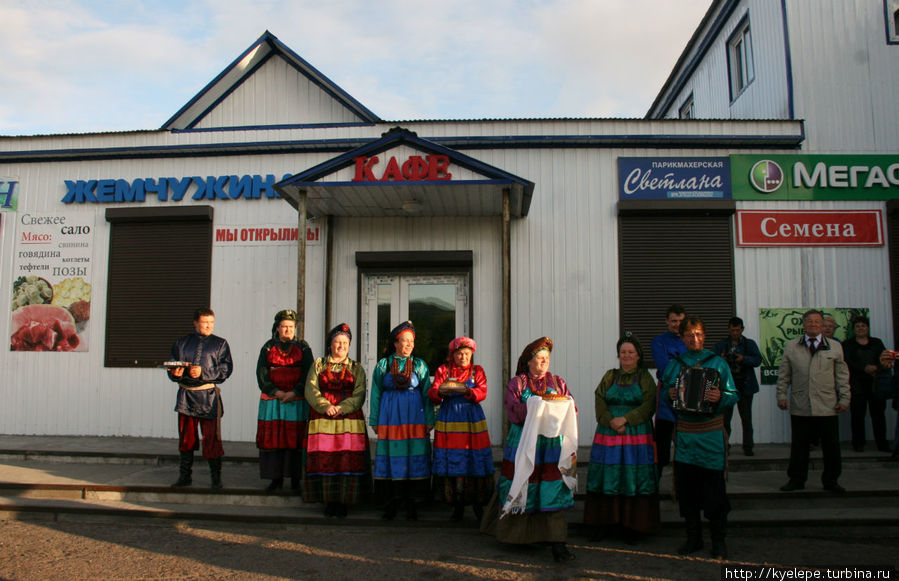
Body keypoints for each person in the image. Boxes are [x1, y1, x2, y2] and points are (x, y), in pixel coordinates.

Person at [481, 337, 578, 563]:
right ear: (528, 362)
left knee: (552, 487)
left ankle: (557, 543)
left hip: (551, 445)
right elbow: (514, 412)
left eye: (547, 359)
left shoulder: (558, 381)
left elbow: (571, 406)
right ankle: (519, 537)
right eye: (539, 359)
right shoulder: (518, 384)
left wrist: (564, 405)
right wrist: (534, 405)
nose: (544, 363)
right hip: (524, 442)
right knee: (522, 482)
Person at [660, 316, 737, 559]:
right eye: (690, 335)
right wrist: (670, 393)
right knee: (688, 491)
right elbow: (664, 395)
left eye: (699, 334)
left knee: (714, 491)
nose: (695, 339)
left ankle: (719, 541)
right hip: (685, 438)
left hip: (711, 436)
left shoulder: (718, 363)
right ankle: (693, 539)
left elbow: (732, 394)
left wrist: (719, 398)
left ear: (704, 336)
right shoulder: (676, 364)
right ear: (682, 338)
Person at [584, 332, 659, 545]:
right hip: (609, 434)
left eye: (630, 352)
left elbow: (649, 404)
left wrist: (625, 419)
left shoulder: (645, 377)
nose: (626, 356)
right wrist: (610, 420)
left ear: (638, 356)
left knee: (632, 477)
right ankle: (604, 524)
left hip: (636, 434)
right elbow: (599, 399)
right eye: (623, 352)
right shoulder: (610, 376)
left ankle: (632, 526)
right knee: (606, 476)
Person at [777, 309, 851, 494]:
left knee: (831, 446)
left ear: (823, 325)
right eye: (809, 321)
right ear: (803, 324)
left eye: (817, 322)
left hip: (827, 405)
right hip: (801, 404)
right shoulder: (792, 346)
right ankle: (796, 479)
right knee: (799, 446)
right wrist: (781, 395)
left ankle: (831, 480)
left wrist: (845, 398)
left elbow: (842, 376)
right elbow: (784, 375)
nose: (813, 324)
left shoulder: (834, 347)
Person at [304, 323, 371, 517]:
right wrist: (326, 406)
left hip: (349, 421)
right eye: (337, 342)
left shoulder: (356, 368)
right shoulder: (318, 364)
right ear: (330, 345)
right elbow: (311, 388)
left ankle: (344, 501)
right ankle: (328, 501)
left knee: (346, 459)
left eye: (345, 342)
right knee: (325, 458)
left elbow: (359, 394)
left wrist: (342, 408)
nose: (341, 346)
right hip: (322, 420)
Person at [370, 321, 434, 521]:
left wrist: (429, 419)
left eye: (411, 342)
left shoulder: (420, 365)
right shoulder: (384, 365)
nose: (408, 345)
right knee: (393, 455)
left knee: (413, 455)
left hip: (414, 416)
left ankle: (412, 502)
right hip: (390, 417)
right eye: (404, 341)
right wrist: (374, 419)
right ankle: (391, 501)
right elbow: (376, 393)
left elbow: (426, 394)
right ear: (395, 343)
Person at [428, 336, 494, 522]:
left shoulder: (477, 371)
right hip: (449, 417)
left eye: (466, 354)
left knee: (473, 456)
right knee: (452, 458)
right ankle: (456, 506)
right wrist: (441, 391)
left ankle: (477, 505)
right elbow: (433, 392)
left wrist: (467, 391)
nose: (463, 357)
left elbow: (483, 391)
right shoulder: (443, 370)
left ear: (472, 354)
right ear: (453, 354)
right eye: (459, 354)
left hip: (472, 418)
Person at [166, 308, 233, 489]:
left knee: (212, 439)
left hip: (208, 398)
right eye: (205, 322)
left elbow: (226, 370)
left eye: (211, 322)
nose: (208, 326)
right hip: (186, 396)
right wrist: (176, 374)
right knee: (186, 438)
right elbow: (172, 367)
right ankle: (184, 477)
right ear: (195, 323)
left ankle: (216, 479)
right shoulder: (181, 343)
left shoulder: (220, 344)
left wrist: (203, 372)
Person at [254, 309, 314, 492]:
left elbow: (309, 373)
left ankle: (296, 480)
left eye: (291, 327)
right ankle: (276, 479)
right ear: (277, 328)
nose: (288, 330)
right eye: (284, 326)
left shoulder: (303, 348)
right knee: (274, 439)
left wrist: (294, 392)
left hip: (295, 401)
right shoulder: (267, 347)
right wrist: (276, 392)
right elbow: (261, 373)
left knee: (294, 440)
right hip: (273, 401)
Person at [712, 316, 762, 456]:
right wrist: (721, 359)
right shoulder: (721, 345)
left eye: (738, 330)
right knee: (725, 419)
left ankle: (748, 447)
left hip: (745, 385)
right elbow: (711, 360)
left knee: (746, 418)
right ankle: (724, 446)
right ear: (729, 329)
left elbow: (758, 360)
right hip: (728, 386)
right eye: (733, 330)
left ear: (742, 329)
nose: (735, 333)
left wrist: (743, 359)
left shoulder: (749, 344)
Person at [841, 315, 889, 453]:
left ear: (867, 328)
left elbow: (885, 359)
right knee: (857, 416)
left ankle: (882, 444)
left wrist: (877, 368)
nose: (860, 328)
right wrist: (864, 368)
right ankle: (858, 444)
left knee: (879, 416)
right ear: (854, 329)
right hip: (857, 385)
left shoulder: (877, 343)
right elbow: (847, 362)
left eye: (863, 326)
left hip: (876, 385)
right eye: (857, 326)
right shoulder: (847, 344)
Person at [650, 304, 686, 479]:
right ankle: (655, 484)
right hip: (666, 399)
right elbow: (665, 367)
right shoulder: (659, 341)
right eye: (673, 321)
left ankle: (681, 486)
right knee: (662, 445)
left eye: (680, 321)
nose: (677, 324)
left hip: (688, 399)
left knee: (684, 446)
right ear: (667, 321)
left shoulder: (689, 340)